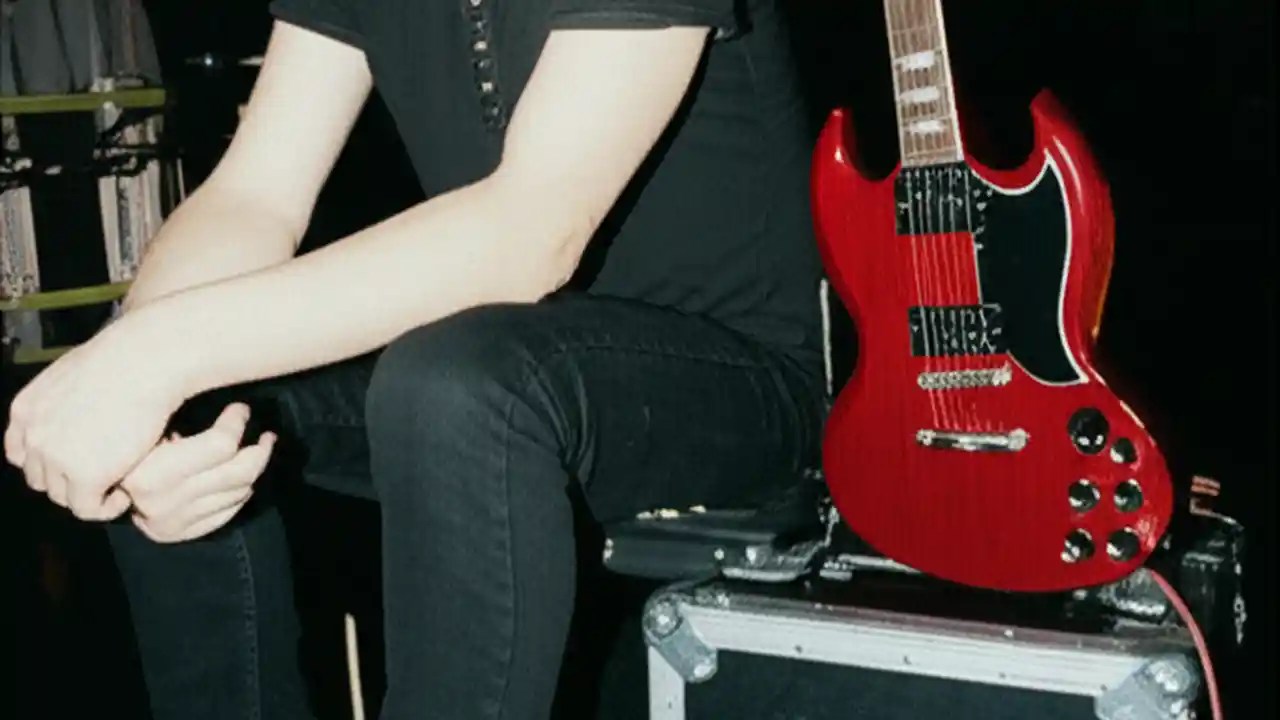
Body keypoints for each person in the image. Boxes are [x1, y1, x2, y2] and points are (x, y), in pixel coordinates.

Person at [4, 0, 827, 717]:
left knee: (451, 385)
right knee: (193, 407)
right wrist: (134, 390)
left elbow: (532, 229)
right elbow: (255, 194)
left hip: (739, 386)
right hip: (501, 353)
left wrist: (150, 356)